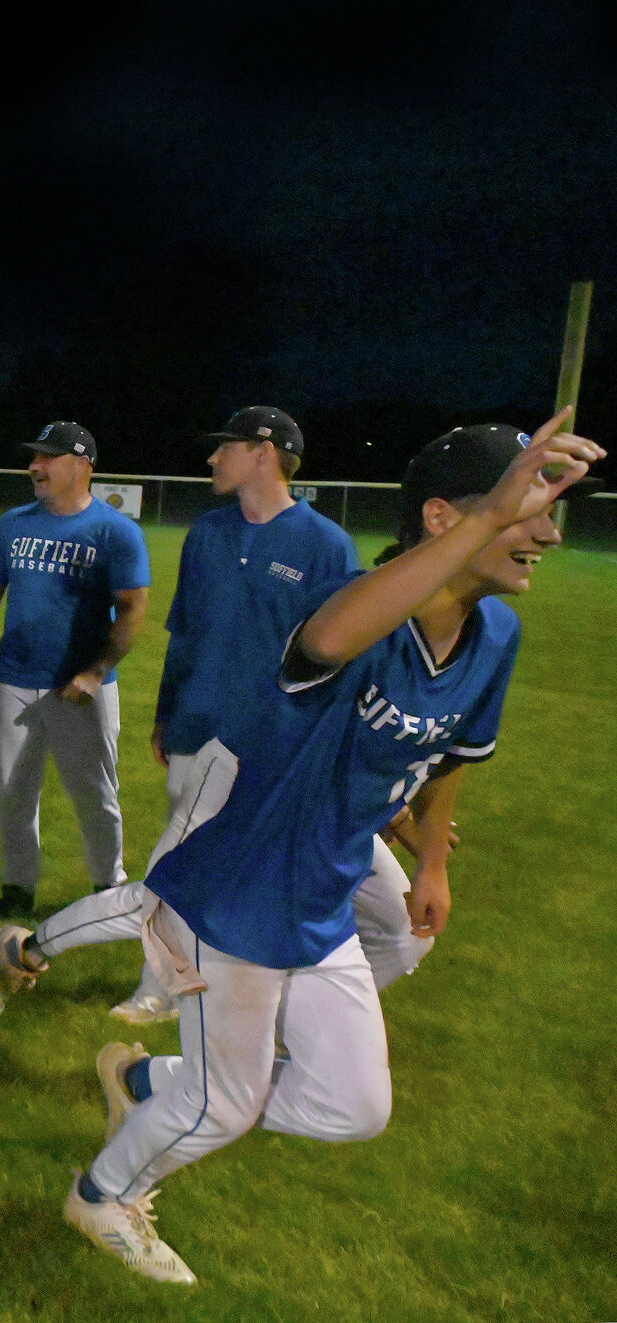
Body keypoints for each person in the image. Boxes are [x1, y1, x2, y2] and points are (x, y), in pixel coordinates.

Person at [63, 412, 600, 1283]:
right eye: (528, 506)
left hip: (321, 891)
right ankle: (100, 1192)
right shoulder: (359, 607)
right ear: (442, 517)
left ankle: (154, 1083)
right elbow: (327, 640)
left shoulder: (495, 633)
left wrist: (431, 861)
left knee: (352, 1106)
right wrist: (490, 516)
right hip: (237, 891)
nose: (546, 530)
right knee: (228, 1105)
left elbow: (453, 752)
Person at [0, 408, 370, 1025]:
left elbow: (341, 662)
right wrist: (166, 716)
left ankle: (147, 981)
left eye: (225, 448)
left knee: (216, 874)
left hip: (275, 741)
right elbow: (183, 636)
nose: (212, 459)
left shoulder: (326, 546)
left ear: (264, 452)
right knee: (178, 874)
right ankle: (154, 978)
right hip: (197, 729)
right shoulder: (208, 532)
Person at [0, 422, 150, 916]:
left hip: (80, 685)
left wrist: (97, 672)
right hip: (15, 677)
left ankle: (108, 885)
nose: (35, 466)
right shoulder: (13, 524)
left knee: (95, 793)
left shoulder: (115, 530)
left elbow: (134, 607)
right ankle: (18, 887)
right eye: (35, 457)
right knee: (14, 793)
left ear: (82, 465)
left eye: (48, 458)